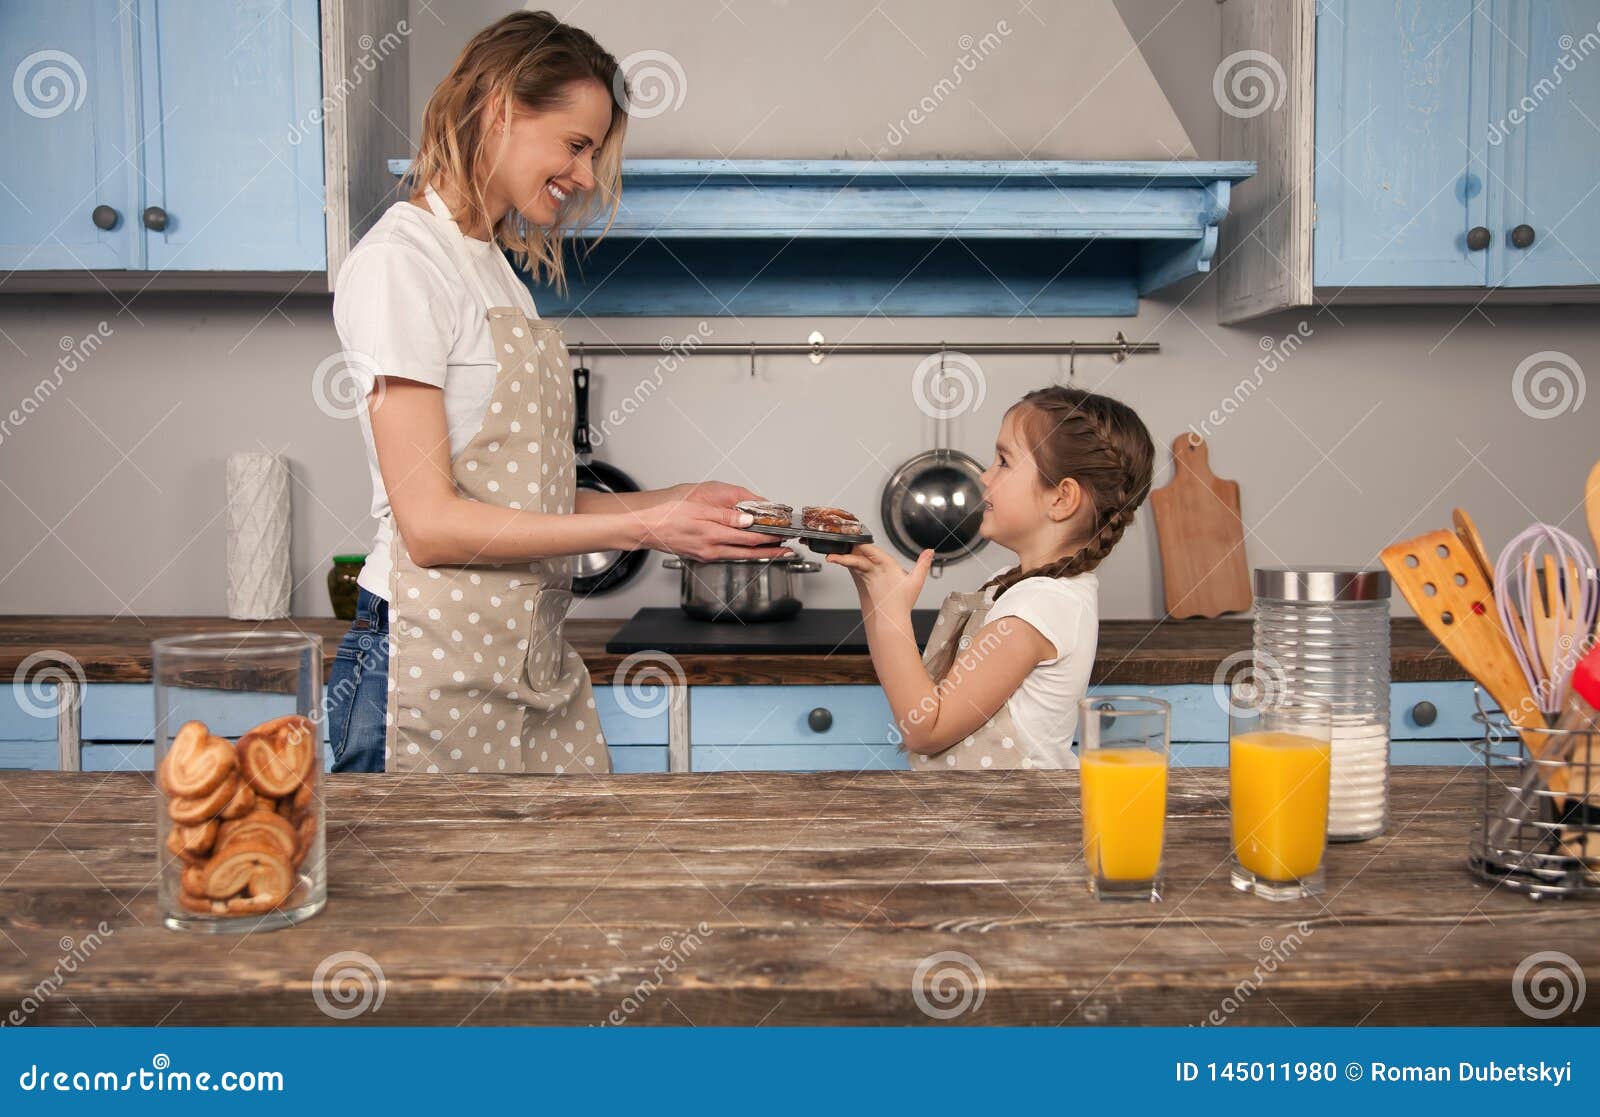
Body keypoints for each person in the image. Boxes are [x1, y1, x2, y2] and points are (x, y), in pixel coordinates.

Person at [326, 11, 788, 775]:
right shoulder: (400, 264)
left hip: (523, 661)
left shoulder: (496, 271)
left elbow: (529, 503)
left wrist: (681, 504)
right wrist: (647, 524)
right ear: (502, 106)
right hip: (417, 662)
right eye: (577, 144)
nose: (585, 174)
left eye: (595, 152)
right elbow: (432, 526)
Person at [829, 386, 1155, 769]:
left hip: (1012, 821)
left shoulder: (1038, 607)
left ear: (1062, 498)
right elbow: (924, 709)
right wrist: (876, 593)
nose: (985, 476)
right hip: (983, 817)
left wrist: (893, 611)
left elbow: (925, 730)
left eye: (1004, 461)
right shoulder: (1021, 585)